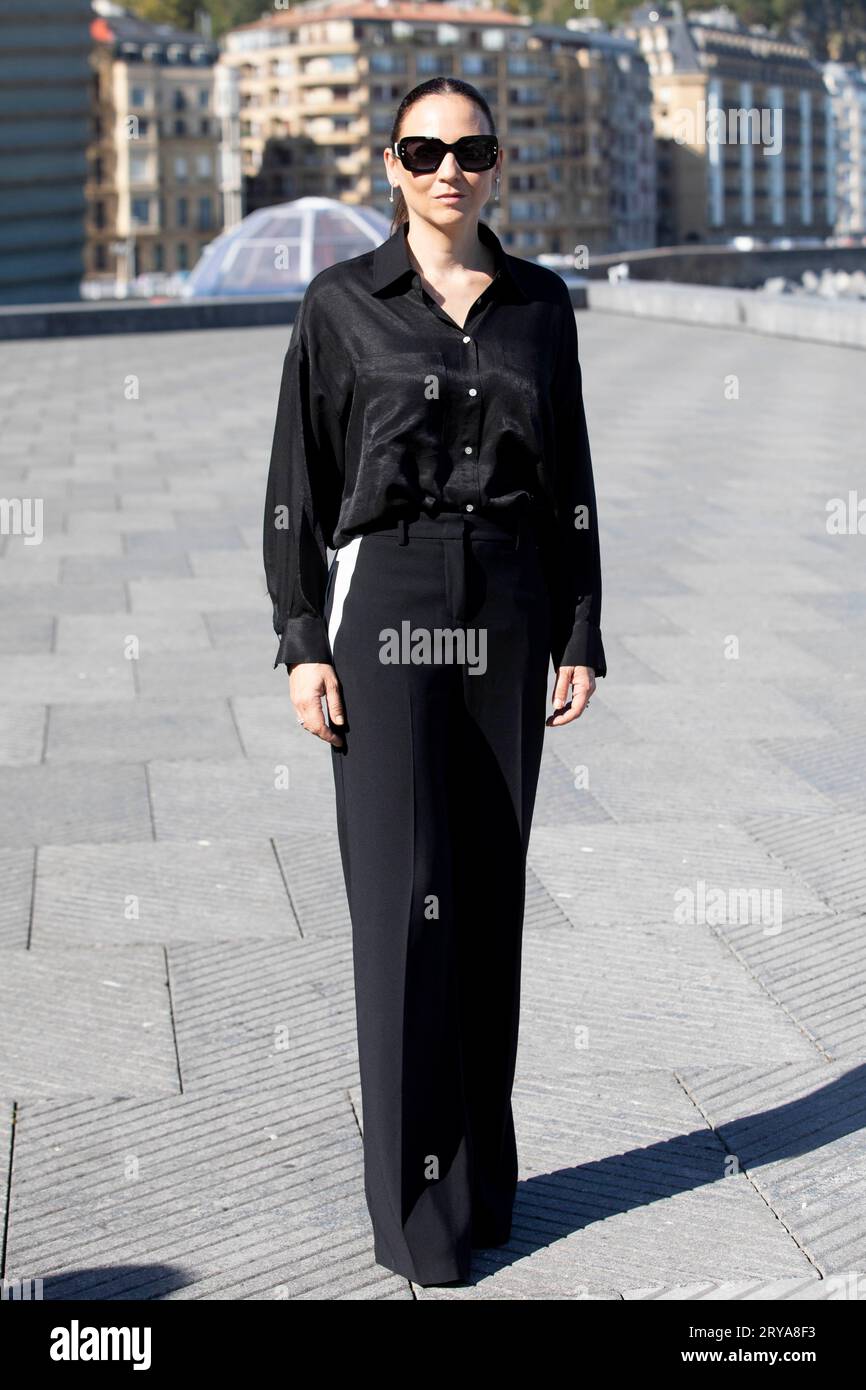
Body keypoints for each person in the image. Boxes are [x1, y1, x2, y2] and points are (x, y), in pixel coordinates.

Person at [263, 76, 607, 1287]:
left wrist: (579, 627)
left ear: (496, 165)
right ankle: (418, 1215)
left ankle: (484, 1185)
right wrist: (303, 638)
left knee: (487, 902)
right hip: (395, 604)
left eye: (470, 149)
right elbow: (295, 489)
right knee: (404, 907)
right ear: (392, 166)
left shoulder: (537, 308)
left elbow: (567, 474)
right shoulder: (340, 307)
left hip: (509, 610)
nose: (448, 168)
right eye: (424, 149)